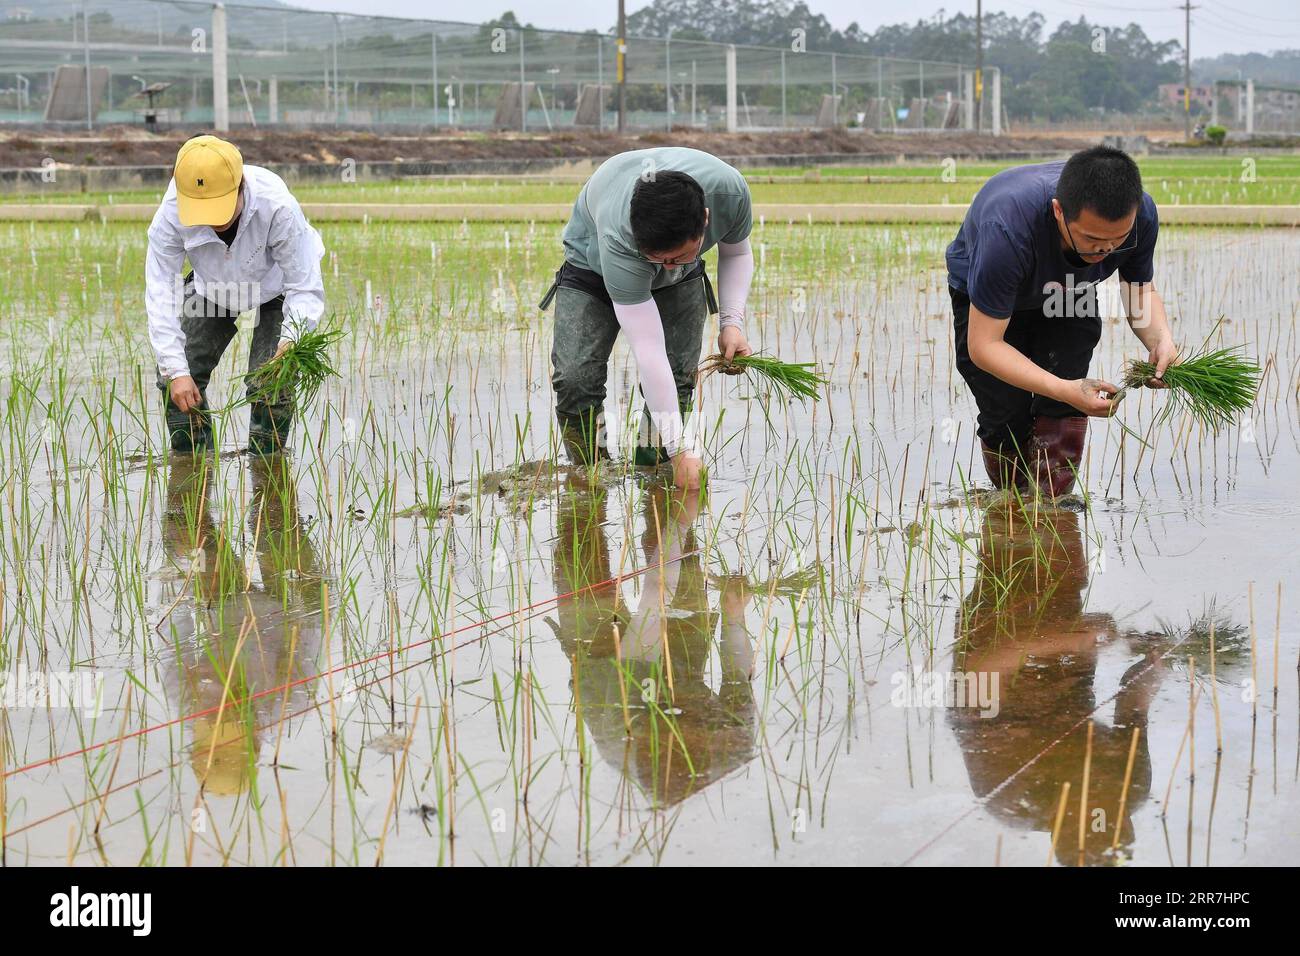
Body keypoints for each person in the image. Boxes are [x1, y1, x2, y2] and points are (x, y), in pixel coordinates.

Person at [945, 146, 1178, 496]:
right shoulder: (1007, 226)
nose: (1106, 251)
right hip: (991, 297)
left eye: (1118, 239)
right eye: (1093, 240)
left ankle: (1050, 508)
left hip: (1070, 290)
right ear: (1058, 211)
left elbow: (1140, 290)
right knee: (1005, 412)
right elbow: (985, 346)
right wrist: (1064, 387)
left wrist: (1160, 340)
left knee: (1063, 404)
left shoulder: (1141, 216)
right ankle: (1012, 506)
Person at [540, 147, 756, 490]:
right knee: (575, 380)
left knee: (678, 376)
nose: (664, 268)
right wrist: (682, 449)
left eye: (678, 257)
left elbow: (738, 252)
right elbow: (647, 349)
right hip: (592, 265)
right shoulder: (619, 235)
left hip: (681, 277)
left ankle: (651, 478)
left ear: (704, 219)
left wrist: (732, 324)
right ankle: (593, 477)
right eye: (658, 259)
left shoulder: (729, 192)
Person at [145, 134, 326, 455]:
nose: (212, 222)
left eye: (220, 209)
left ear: (240, 185)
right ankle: (192, 468)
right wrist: (176, 371)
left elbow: (304, 285)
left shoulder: (277, 206)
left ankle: (268, 469)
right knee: (176, 378)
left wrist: (291, 340)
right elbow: (160, 291)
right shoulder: (170, 214)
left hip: (276, 286)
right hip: (212, 287)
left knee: (272, 382)